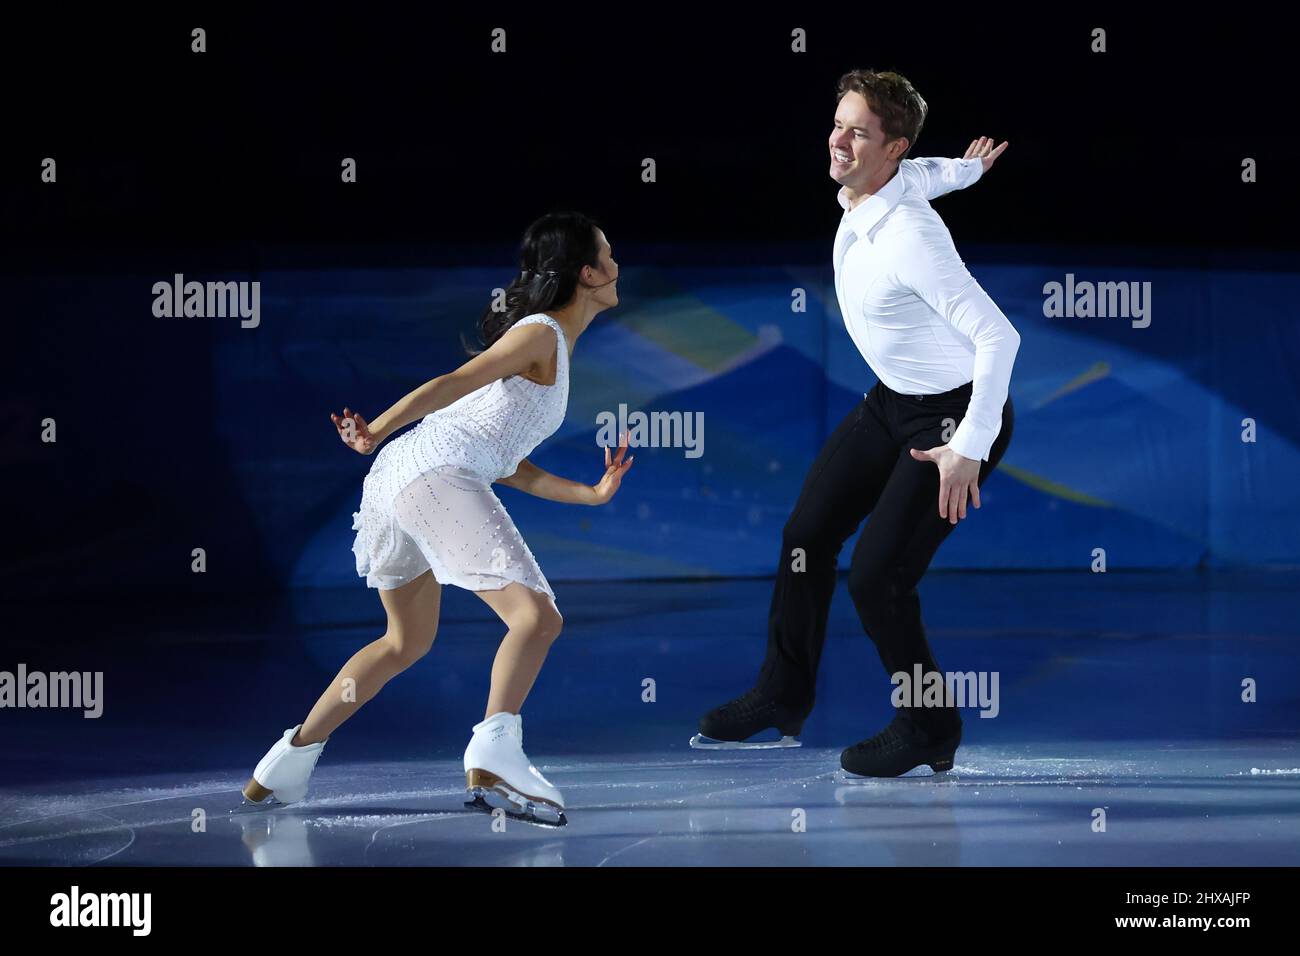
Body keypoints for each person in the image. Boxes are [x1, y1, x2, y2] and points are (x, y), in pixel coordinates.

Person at [242, 212, 633, 825]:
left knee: (406, 641)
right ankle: (495, 753)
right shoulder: (541, 334)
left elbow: (507, 464)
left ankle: (287, 760)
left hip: (402, 479)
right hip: (426, 470)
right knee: (536, 619)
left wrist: (592, 492)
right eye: (609, 255)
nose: (617, 265)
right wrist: (376, 428)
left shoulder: (548, 344)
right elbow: (454, 382)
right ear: (587, 274)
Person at [694, 69, 1018, 778]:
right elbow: (928, 171)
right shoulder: (889, 180)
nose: (839, 140)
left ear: (889, 147)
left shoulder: (910, 236)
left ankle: (929, 723)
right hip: (892, 400)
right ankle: (783, 694)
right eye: (838, 123)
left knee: (878, 578)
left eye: (858, 133)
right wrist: (969, 168)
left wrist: (969, 446)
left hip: (953, 416)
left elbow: (1000, 338)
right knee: (807, 535)